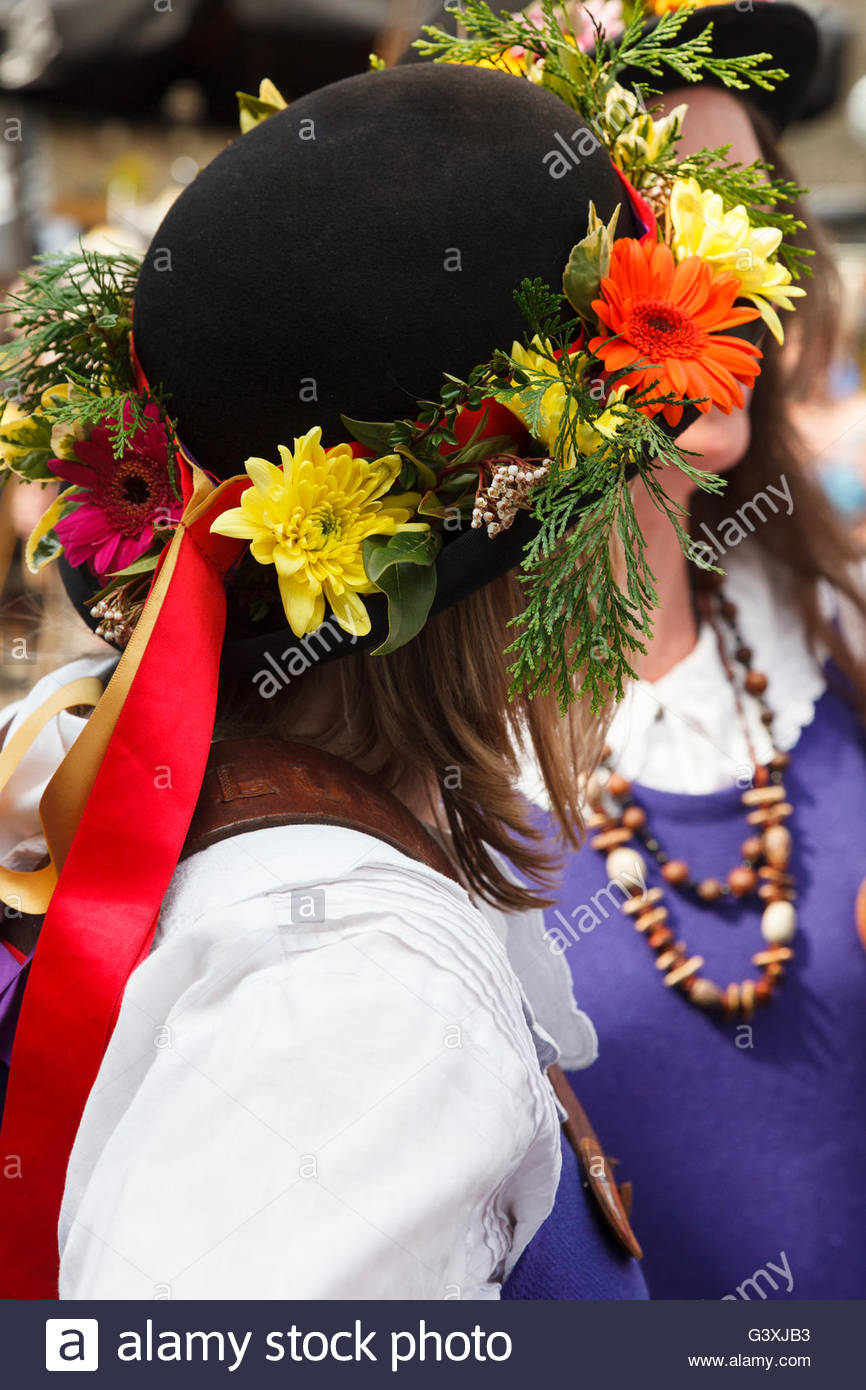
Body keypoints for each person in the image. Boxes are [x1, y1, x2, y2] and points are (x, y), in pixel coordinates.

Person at [0, 15, 791, 1299]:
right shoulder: (358, 1003)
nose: (686, 481)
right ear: (532, 554)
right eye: (633, 464)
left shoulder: (270, 874)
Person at [518, 5, 866, 1300]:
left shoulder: (828, 617)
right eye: (650, 216)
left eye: (744, 217)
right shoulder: (396, 727)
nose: (711, 269)